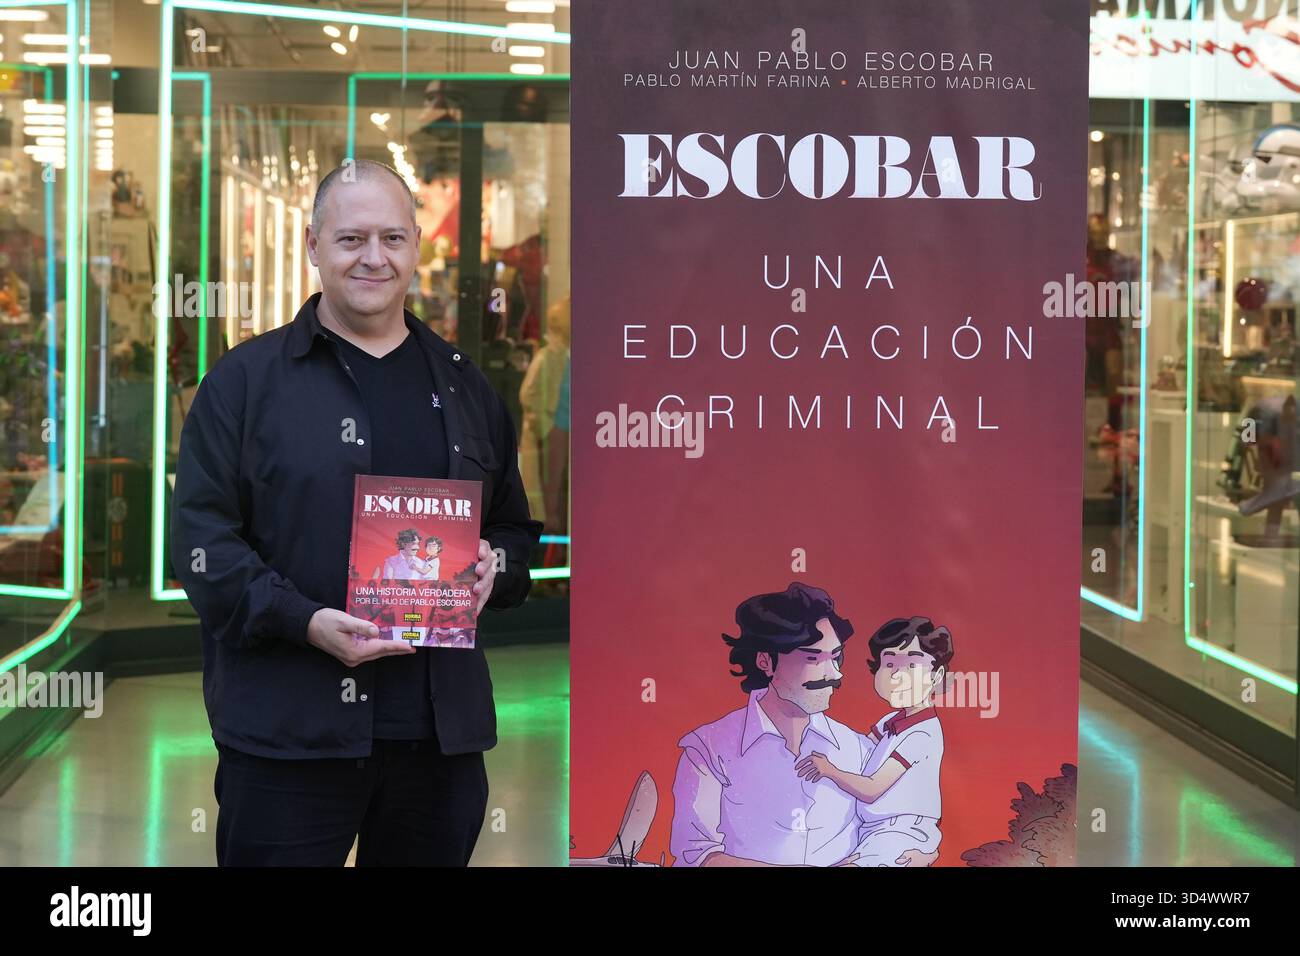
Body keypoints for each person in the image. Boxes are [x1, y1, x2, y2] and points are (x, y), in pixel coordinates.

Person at [171, 158, 541, 867]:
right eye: (351, 240)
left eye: (393, 239)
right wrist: (302, 620)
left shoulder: (467, 387)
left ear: (416, 248)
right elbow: (203, 543)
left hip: (438, 742)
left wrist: (499, 565)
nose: (374, 257)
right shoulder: (243, 384)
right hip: (288, 738)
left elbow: (513, 529)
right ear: (313, 245)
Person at [668, 582, 939, 867]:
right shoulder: (707, 750)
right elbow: (697, 858)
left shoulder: (858, 749)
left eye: (836, 657)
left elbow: (894, 827)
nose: (833, 674)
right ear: (766, 662)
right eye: (813, 658)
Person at [795, 616, 951, 866]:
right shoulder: (891, 721)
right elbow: (855, 751)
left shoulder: (922, 733)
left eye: (912, 665)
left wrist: (829, 770)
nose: (898, 675)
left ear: (936, 675)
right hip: (873, 831)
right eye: (889, 664)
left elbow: (871, 788)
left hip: (902, 832)